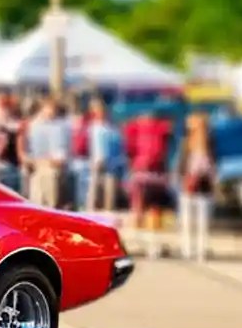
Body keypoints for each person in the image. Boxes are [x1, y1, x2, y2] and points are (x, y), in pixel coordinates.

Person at [125, 110, 173, 259]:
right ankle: (154, 246)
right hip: (157, 175)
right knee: (154, 210)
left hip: (140, 173)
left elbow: (129, 150)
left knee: (139, 209)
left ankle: (141, 244)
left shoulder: (134, 130)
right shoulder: (162, 130)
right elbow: (166, 153)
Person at [175, 113, 218, 262]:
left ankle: (199, 250)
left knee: (202, 221)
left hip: (202, 186)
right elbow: (181, 165)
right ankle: (188, 249)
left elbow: (212, 167)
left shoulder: (209, 145)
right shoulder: (186, 143)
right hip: (189, 185)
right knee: (188, 220)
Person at [26, 98, 71, 208]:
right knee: (37, 196)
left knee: (51, 195)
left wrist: (58, 159)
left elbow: (62, 148)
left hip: (53, 165)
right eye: (47, 109)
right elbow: (29, 146)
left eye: (52, 109)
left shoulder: (60, 127)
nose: (50, 112)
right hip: (37, 164)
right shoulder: (33, 125)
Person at [85, 99, 123, 212]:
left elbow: (118, 146)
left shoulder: (111, 128)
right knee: (93, 191)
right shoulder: (91, 128)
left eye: (100, 110)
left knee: (109, 190)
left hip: (110, 164)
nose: (98, 113)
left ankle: (108, 212)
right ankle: (90, 212)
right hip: (94, 162)